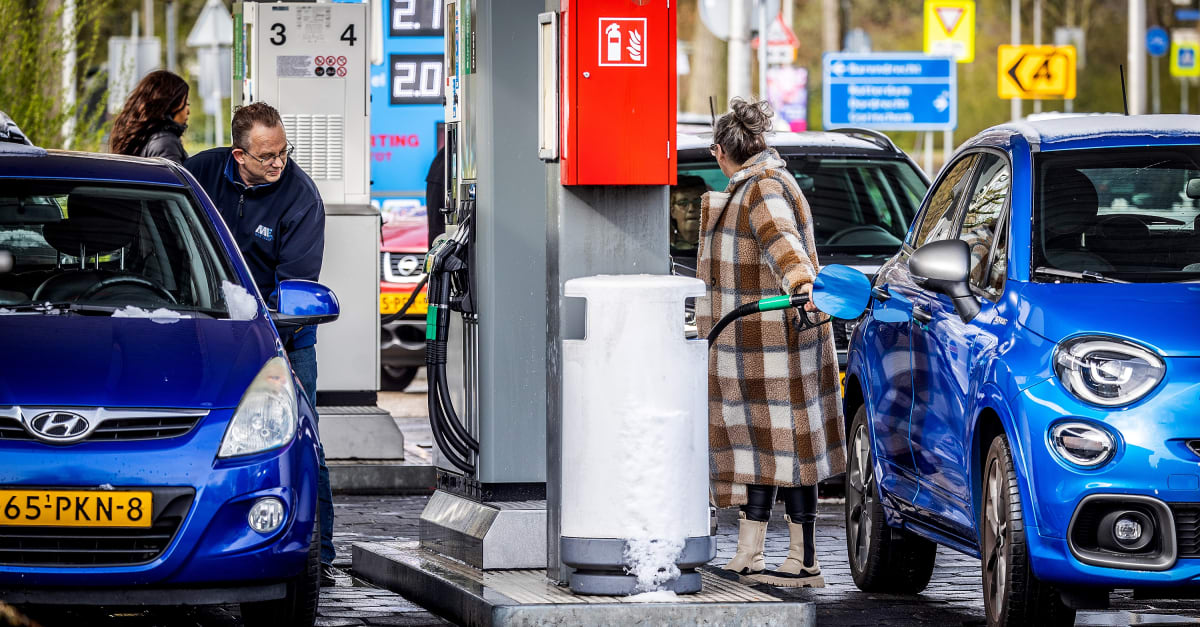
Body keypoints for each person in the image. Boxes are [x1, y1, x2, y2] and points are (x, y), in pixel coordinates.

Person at [182, 102, 336, 585]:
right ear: (239, 155)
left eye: (284, 152)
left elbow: (295, 284)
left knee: (302, 440)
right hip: (202, 333)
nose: (278, 163)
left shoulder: (301, 197)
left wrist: (259, 338)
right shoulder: (201, 173)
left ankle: (318, 556)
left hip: (281, 337)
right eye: (267, 156)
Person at [696, 98, 844, 588]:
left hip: (777, 347)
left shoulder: (762, 187)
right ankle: (750, 552)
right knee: (759, 449)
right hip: (755, 349)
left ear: (721, 151)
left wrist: (804, 286)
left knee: (794, 453)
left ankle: (804, 560)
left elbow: (783, 243)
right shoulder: (756, 183)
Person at [109, 70, 190, 163]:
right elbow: (169, 173)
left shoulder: (139, 137)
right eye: (186, 103)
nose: (188, 111)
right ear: (172, 104)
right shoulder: (164, 142)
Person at [670, 174, 706, 255]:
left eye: (698, 202)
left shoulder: (722, 246)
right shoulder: (661, 247)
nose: (691, 208)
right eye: (683, 203)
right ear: (673, 211)